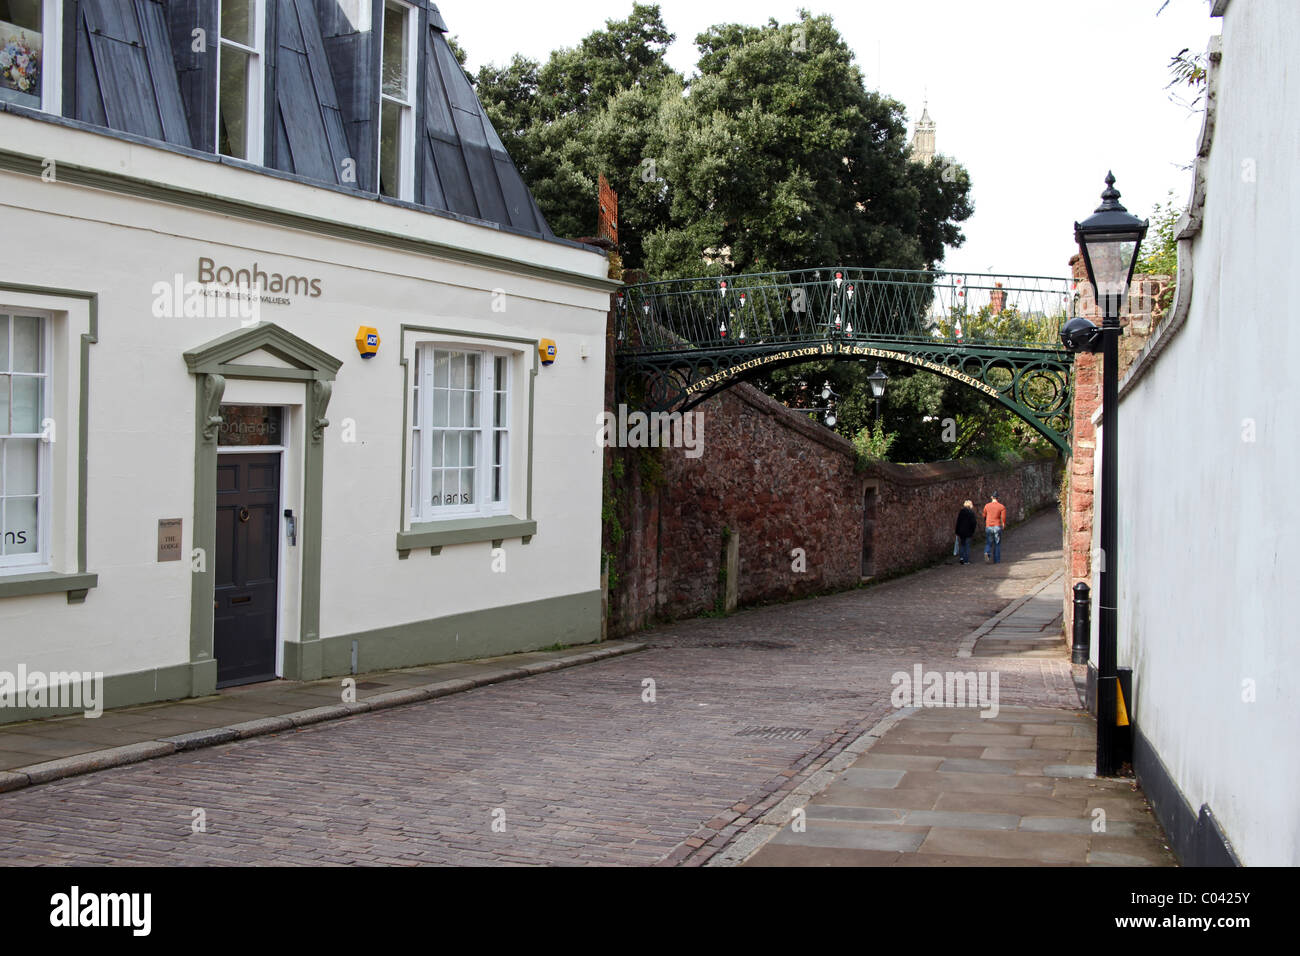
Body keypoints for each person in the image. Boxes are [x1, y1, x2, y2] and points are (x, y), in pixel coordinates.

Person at [983, 492, 1007, 563]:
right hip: (997, 526)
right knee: (997, 543)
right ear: (998, 498)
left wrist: (986, 521)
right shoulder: (1001, 506)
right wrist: (1003, 525)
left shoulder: (987, 506)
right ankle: (997, 560)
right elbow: (1003, 518)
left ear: (991, 497)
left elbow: (984, 515)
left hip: (989, 526)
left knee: (988, 542)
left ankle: (987, 552)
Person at [954, 500, 977, 564]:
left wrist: (957, 531)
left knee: (962, 545)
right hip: (968, 531)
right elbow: (974, 523)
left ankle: (961, 558)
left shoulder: (961, 512)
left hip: (961, 531)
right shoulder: (971, 513)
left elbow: (958, 522)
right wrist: (972, 530)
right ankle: (966, 560)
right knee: (967, 545)